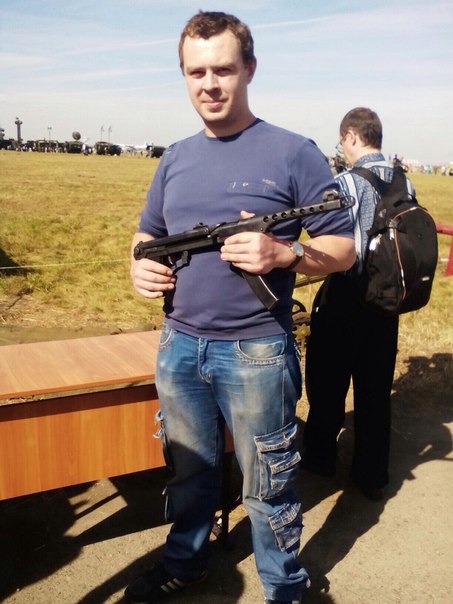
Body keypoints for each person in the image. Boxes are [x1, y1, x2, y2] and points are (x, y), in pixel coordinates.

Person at [127, 11, 355, 604]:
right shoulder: (174, 158)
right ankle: (187, 563)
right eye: (196, 72)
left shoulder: (293, 153)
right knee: (188, 471)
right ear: (184, 75)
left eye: (223, 70)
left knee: (268, 485)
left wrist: (284, 253)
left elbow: (343, 249)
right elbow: (147, 233)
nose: (209, 84)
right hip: (179, 345)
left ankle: (284, 586)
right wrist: (137, 263)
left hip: (256, 351)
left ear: (249, 69)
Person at [302, 107, 415, 501]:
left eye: (342, 142)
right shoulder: (404, 180)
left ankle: (320, 457)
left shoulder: (346, 182)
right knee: (375, 390)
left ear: (351, 136)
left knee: (327, 380)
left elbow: (333, 245)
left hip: (348, 293)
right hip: (387, 299)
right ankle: (371, 474)